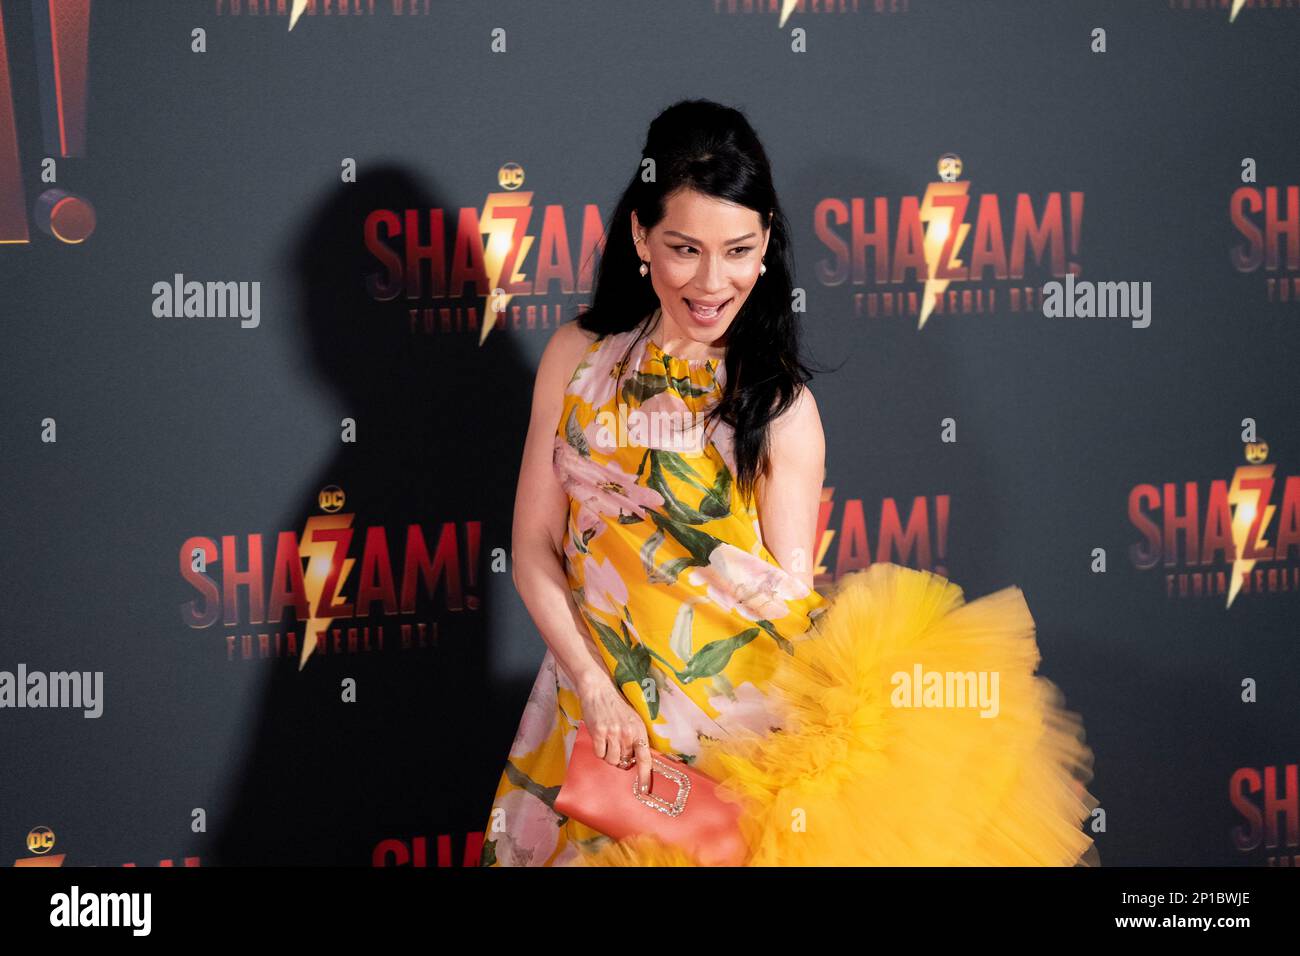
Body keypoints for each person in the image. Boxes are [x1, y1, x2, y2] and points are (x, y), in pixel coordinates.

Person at [478, 99, 1098, 867]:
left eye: (739, 249)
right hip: (594, 723)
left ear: (767, 243)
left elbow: (783, 599)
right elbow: (533, 544)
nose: (713, 281)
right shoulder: (575, 358)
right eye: (684, 248)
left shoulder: (778, 407)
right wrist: (594, 686)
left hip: (725, 752)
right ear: (640, 235)